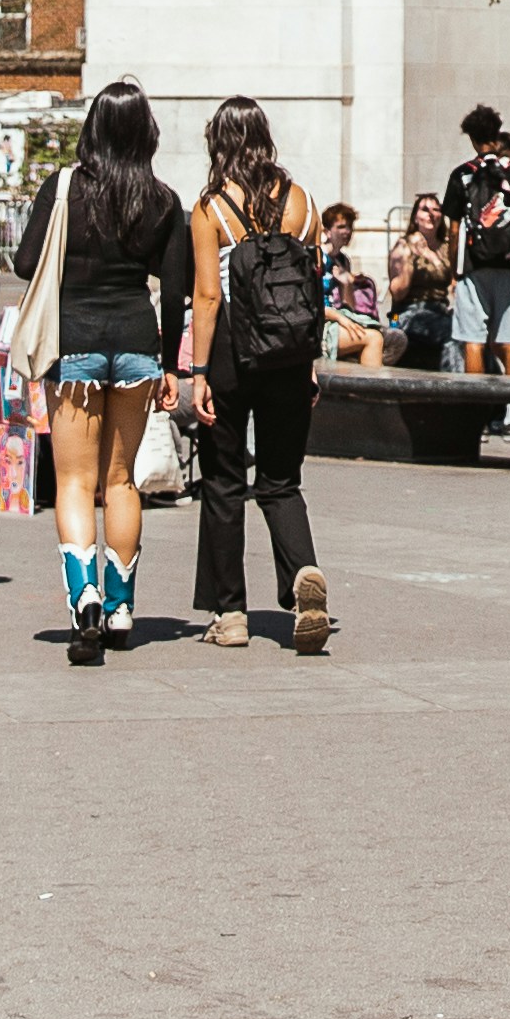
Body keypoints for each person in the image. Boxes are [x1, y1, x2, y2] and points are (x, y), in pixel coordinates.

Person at [13, 79, 185, 663]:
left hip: (76, 343)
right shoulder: (162, 200)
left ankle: (84, 597)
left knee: (74, 482)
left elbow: (25, 261)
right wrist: (169, 363)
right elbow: (178, 289)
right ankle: (121, 606)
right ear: (146, 132)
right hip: (138, 340)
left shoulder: (64, 187)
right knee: (121, 481)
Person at [176, 94, 334, 654]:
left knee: (222, 483)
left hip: (230, 358)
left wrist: (198, 373)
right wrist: (310, 364)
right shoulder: (302, 203)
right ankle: (302, 574)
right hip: (289, 356)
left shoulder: (211, 208)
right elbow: (312, 292)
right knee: (282, 480)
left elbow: (207, 294)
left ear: (218, 144)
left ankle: (231, 612)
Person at [441, 104, 510, 415]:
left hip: (473, 267)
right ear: (497, 134)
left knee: (472, 340)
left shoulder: (462, 175)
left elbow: (454, 230)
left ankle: (477, 412)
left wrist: (454, 271)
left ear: (473, 139)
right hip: (509, 265)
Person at [384, 192, 456, 368]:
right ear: (415, 218)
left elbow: (455, 283)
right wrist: (410, 261)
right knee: (453, 334)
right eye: (424, 210)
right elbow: (398, 293)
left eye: (436, 210)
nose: (431, 214)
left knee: (472, 333)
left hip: (440, 310)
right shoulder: (404, 245)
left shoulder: (446, 247)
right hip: (408, 312)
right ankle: (456, 389)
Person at [318, 202, 392, 364]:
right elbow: (311, 304)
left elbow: (349, 307)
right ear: (326, 231)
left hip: (339, 319)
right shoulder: (317, 258)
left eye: (350, 227)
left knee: (392, 339)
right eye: (341, 227)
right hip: (320, 324)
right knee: (374, 339)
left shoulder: (343, 260)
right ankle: (369, 388)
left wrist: (347, 284)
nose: (347, 232)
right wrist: (340, 318)